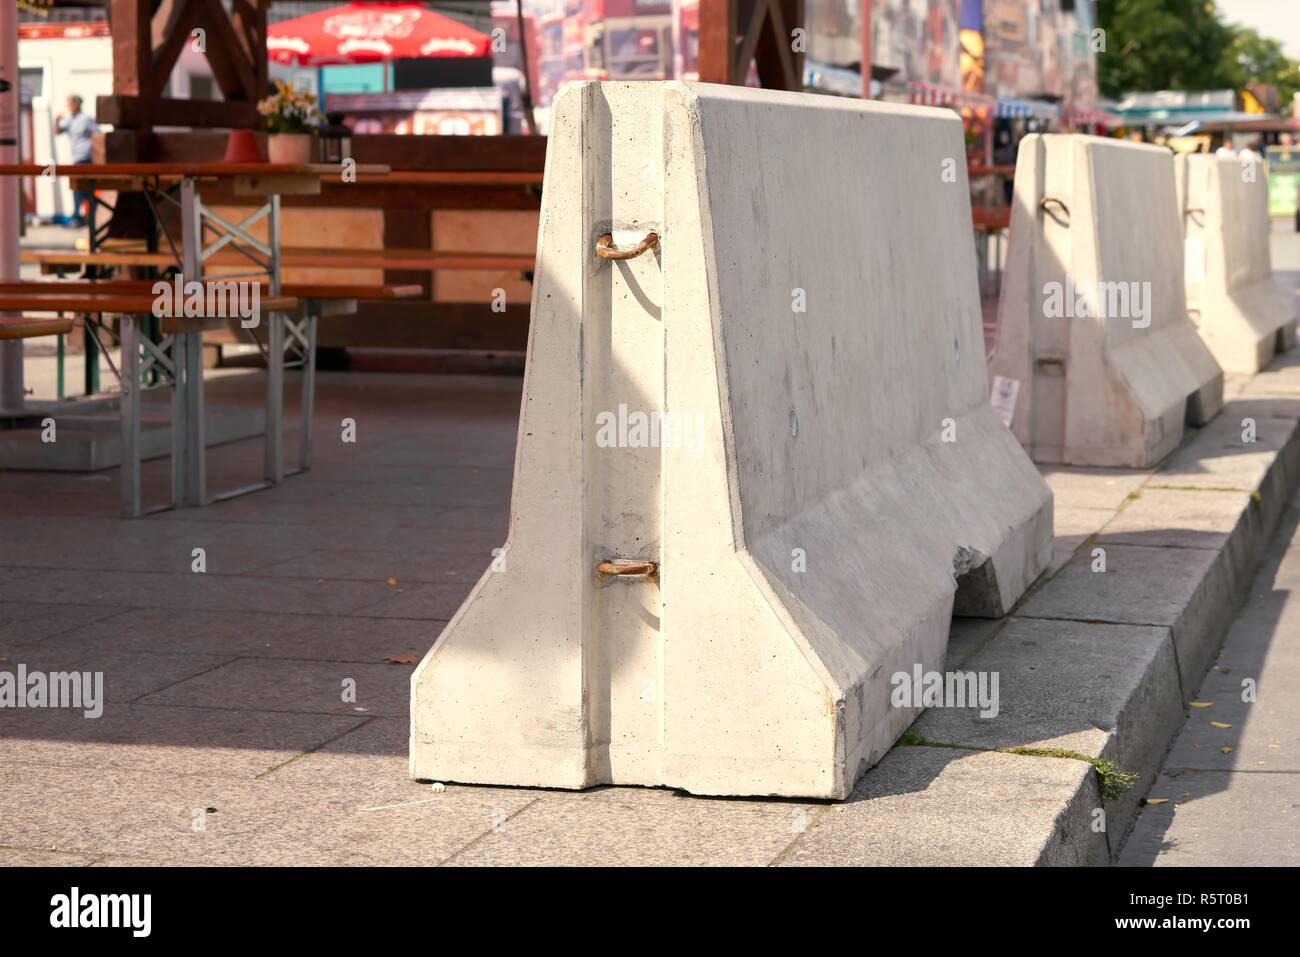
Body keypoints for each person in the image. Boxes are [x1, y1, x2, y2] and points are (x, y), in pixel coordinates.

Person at [56, 95, 98, 228]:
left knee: (85, 189)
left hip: (86, 158)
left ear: (77, 103)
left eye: (71, 103)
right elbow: (58, 131)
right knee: (77, 188)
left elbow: (98, 135)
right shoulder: (69, 120)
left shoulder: (86, 119)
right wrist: (56, 121)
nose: (69, 106)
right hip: (76, 159)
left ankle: (85, 216)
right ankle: (81, 216)